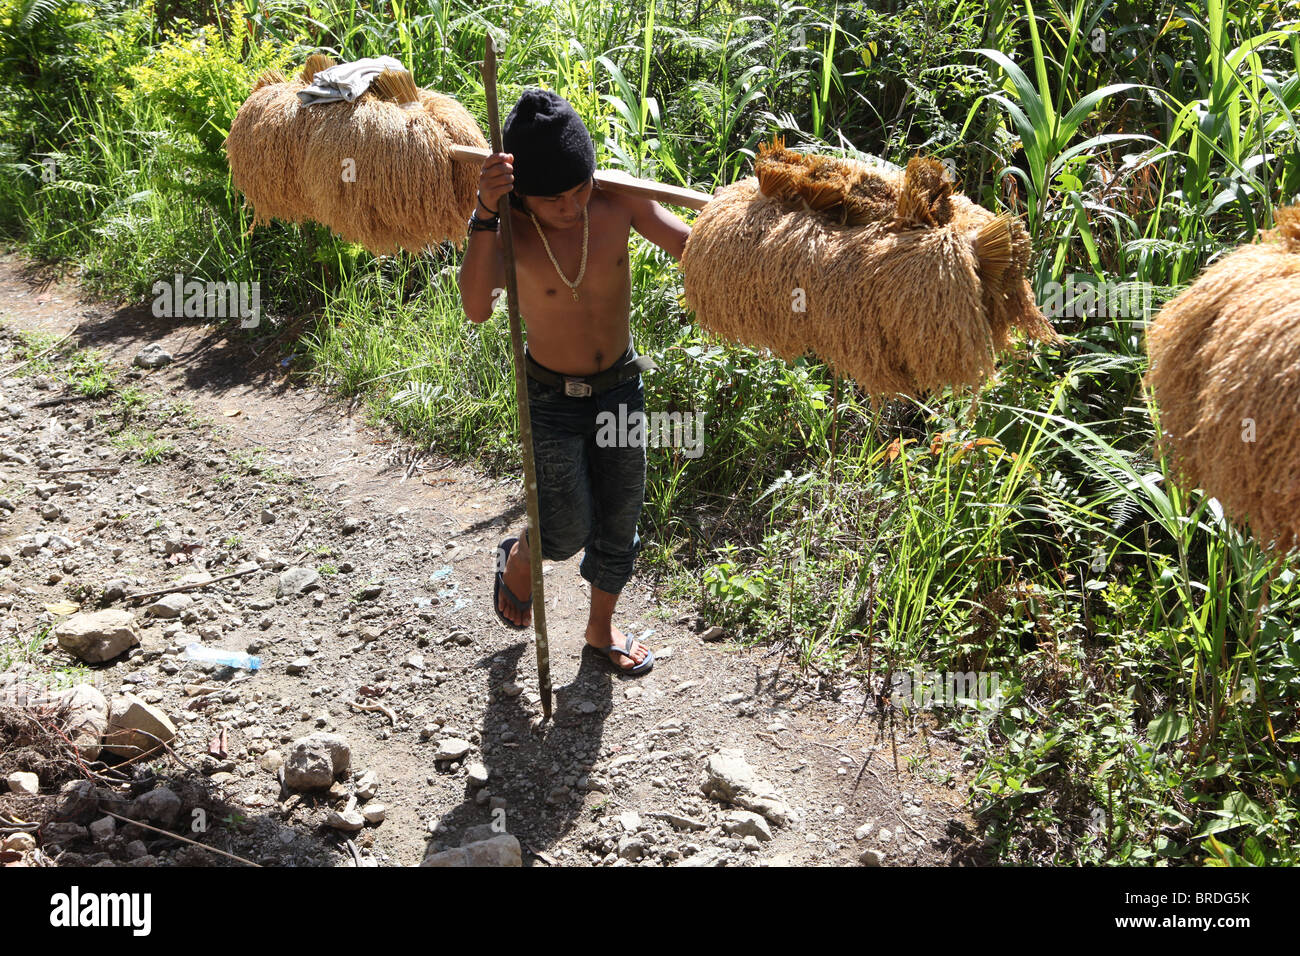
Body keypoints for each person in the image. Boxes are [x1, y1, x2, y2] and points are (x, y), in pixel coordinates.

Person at [457, 88, 690, 675]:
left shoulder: (618, 202)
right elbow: (478, 307)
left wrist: (768, 236)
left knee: (620, 517)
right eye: (553, 197)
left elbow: (692, 248)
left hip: (619, 389)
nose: (572, 205)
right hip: (549, 397)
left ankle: (599, 631)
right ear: (521, 193)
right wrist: (484, 213)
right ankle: (521, 555)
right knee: (563, 529)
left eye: (581, 187)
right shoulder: (507, 226)